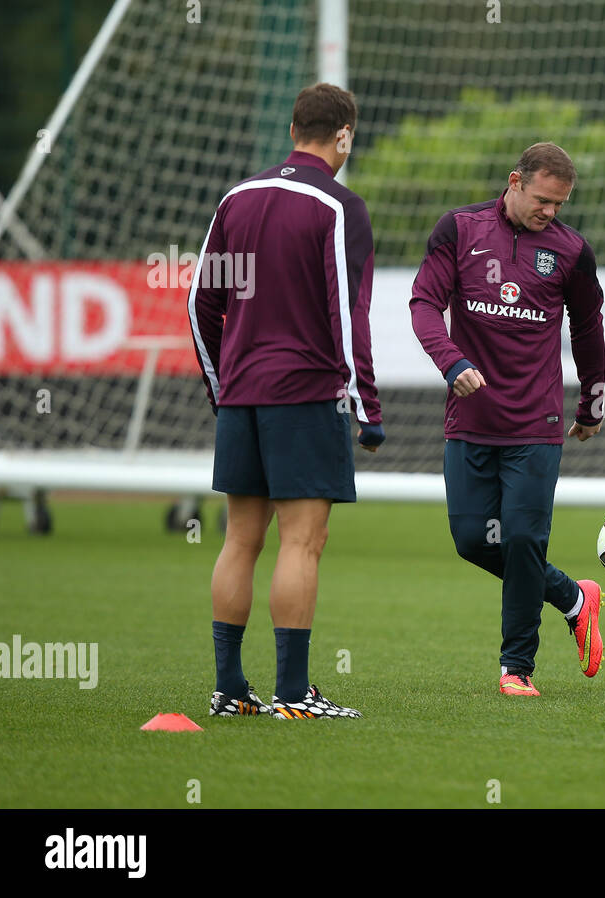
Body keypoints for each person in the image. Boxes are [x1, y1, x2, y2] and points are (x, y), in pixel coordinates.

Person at [190, 83, 384, 720]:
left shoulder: (236, 198)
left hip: (242, 396)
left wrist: (223, 390)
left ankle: (228, 690)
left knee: (240, 541)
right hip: (304, 397)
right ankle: (294, 697)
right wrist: (366, 405)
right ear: (344, 136)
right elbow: (348, 314)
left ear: (293, 128)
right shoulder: (339, 205)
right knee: (302, 543)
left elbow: (199, 304)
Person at [409, 142, 605, 697]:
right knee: (473, 540)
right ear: (515, 181)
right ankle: (573, 596)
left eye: (560, 204)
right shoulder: (459, 229)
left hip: (535, 425)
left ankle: (516, 667)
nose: (550, 212)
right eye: (543, 200)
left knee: (522, 539)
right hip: (470, 418)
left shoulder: (571, 251)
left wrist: (592, 403)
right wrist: (452, 362)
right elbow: (424, 303)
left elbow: (587, 328)